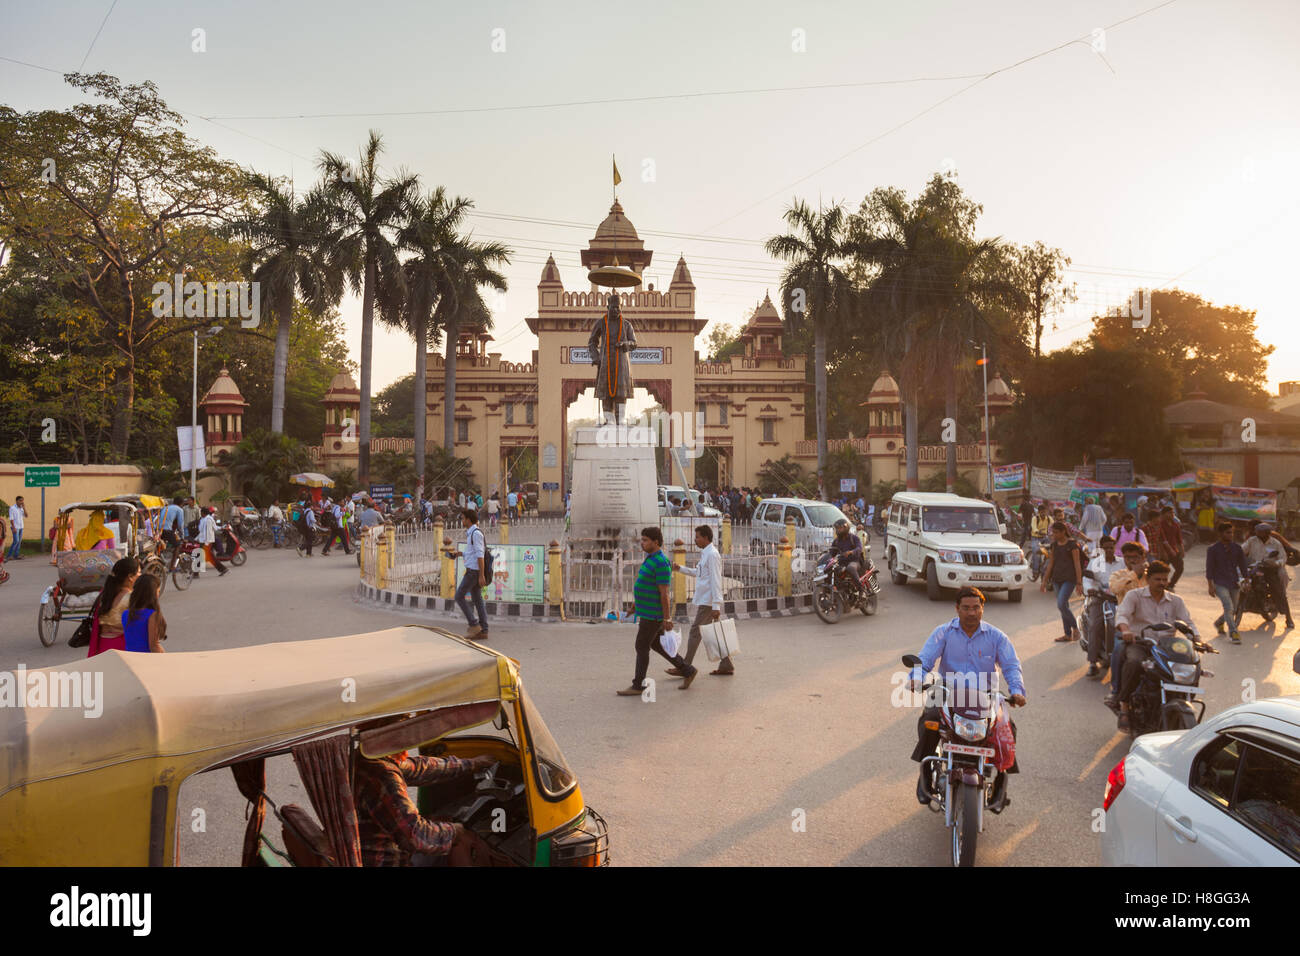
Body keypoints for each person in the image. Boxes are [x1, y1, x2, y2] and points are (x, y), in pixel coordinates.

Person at [907, 587, 1026, 809]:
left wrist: (1017, 691)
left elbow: (1011, 665)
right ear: (957, 609)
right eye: (966, 608)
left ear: (982, 608)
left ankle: (1000, 783)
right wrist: (916, 678)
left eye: (975, 608)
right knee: (929, 721)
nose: (971, 613)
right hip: (948, 693)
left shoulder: (996, 636)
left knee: (1009, 728)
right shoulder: (943, 633)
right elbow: (924, 660)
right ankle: (924, 773)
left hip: (986, 698)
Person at [352, 722, 497, 867]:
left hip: (372, 853)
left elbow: (420, 768)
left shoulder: (364, 759)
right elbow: (416, 836)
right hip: (386, 861)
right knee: (464, 844)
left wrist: (473, 764)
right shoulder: (381, 776)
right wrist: (455, 832)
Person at [1113, 560, 1198, 731]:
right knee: (1134, 663)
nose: (1162, 583)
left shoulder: (1176, 600)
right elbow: (1122, 615)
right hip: (1141, 643)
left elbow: (1188, 623)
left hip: (1168, 647)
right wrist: (1126, 631)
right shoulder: (1134, 596)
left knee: (1191, 665)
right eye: (1157, 579)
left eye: (1165, 580)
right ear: (1148, 578)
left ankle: (1184, 699)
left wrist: (1197, 639)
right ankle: (1123, 706)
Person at [617, 526, 697, 695]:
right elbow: (645, 586)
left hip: (653, 615)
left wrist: (667, 619)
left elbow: (664, 594)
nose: (642, 543)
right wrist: (634, 606)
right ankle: (687, 669)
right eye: (642, 539)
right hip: (646, 611)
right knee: (657, 644)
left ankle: (638, 685)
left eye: (645, 540)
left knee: (641, 645)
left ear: (656, 542)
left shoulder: (660, 562)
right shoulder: (650, 558)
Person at [670, 524, 733, 677]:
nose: (695, 540)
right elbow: (699, 573)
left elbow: (716, 580)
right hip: (706, 600)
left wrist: (716, 605)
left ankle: (685, 666)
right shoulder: (706, 553)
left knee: (695, 632)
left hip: (709, 601)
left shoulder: (712, 554)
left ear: (706, 538)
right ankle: (726, 664)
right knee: (711, 633)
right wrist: (680, 569)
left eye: (698, 537)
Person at [1104, 542, 1149, 705]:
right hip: (1126, 625)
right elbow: (1115, 589)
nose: (1131, 560)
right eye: (1128, 557)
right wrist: (1134, 575)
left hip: (1150, 626)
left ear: (1143, 558)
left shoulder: (1151, 574)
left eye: (1135, 557)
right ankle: (1115, 690)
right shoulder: (1118, 575)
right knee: (1118, 650)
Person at [1082, 534, 1126, 678]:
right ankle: (1093, 663)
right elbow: (1087, 579)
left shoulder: (1122, 562)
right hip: (1100, 598)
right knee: (1095, 625)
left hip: (1120, 598)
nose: (1109, 550)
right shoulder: (1095, 562)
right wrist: (1090, 589)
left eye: (1111, 547)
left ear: (1115, 548)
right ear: (1101, 548)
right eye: (1106, 548)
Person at [1242, 522, 1294, 629]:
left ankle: (1288, 619)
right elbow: (1242, 550)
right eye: (1256, 531)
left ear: (1267, 533)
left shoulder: (1275, 543)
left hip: (1270, 569)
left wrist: (1276, 563)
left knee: (1279, 591)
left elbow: (1283, 557)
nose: (1257, 533)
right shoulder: (1252, 541)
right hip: (1254, 568)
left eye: (1260, 531)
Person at [88, 556, 141, 657]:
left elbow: (96, 626)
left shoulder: (104, 595)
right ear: (130, 577)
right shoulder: (132, 597)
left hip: (102, 647)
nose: (140, 575)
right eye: (138, 572)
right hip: (122, 648)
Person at [449, 508, 489, 640]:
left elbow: (480, 555)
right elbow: (471, 553)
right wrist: (459, 554)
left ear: (468, 519)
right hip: (473, 571)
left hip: (473, 572)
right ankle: (483, 630)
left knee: (459, 596)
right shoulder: (470, 534)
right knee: (478, 600)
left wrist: (481, 575)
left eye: (462, 518)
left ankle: (474, 624)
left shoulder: (476, 534)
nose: (461, 521)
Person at [1205, 520, 1247, 644]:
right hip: (1219, 582)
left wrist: (1247, 579)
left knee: (1232, 609)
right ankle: (1233, 632)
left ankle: (1219, 622)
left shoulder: (1237, 548)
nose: (1231, 535)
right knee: (1228, 607)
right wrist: (1210, 585)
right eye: (1228, 533)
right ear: (1221, 534)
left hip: (1234, 582)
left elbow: (1243, 565)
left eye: (1232, 533)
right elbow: (1209, 568)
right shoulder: (1213, 549)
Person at [1041, 520, 1083, 642]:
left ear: (1063, 532)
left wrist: (1079, 583)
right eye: (1053, 532)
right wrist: (1044, 581)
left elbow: (1077, 564)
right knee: (1063, 606)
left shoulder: (1073, 545)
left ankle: (1075, 628)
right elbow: (1051, 563)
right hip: (1056, 578)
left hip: (1069, 579)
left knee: (1061, 604)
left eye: (1056, 532)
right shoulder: (1054, 545)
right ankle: (1067, 634)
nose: (1054, 535)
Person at [122, 574, 167, 653]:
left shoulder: (126, 613)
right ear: (153, 593)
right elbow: (154, 646)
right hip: (146, 658)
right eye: (158, 591)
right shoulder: (152, 615)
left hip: (130, 657)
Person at [1152, 505, 1186, 589]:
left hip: (1174, 551)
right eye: (1169, 513)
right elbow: (1160, 540)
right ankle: (1161, 586)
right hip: (1164, 552)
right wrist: (1163, 552)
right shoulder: (1160, 525)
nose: (1172, 514)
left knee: (1180, 568)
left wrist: (1182, 550)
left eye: (1173, 512)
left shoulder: (1175, 524)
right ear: (1163, 514)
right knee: (1162, 571)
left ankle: (1171, 585)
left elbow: (1179, 539)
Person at [829, 517, 865, 593]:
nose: (838, 530)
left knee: (850, 568)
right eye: (837, 529)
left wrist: (851, 552)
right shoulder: (836, 541)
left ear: (846, 528)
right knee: (831, 570)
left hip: (855, 561)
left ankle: (861, 590)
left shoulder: (854, 538)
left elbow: (859, 548)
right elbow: (832, 552)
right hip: (842, 562)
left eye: (840, 528)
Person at [197, 507, 229, 575]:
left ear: (203, 513)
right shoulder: (204, 519)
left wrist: (206, 543)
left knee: (200, 556)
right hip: (203, 540)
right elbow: (214, 528)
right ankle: (223, 569)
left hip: (206, 541)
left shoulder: (208, 519)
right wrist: (222, 527)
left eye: (201, 512)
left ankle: (194, 573)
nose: (200, 514)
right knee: (209, 557)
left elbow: (208, 532)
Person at [160, 495, 186, 566]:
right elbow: (180, 525)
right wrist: (182, 537)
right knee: (177, 545)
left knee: (159, 546)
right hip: (166, 530)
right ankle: (172, 565)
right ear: (181, 504)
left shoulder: (166, 507)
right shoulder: (179, 510)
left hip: (158, 530)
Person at [5, 496, 26, 560]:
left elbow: (26, 515)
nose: (21, 502)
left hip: (21, 526)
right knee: (16, 541)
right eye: (20, 500)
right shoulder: (12, 508)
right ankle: (9, 555)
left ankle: (16, 555)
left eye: (22, 500)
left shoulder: (21, 508)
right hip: (15, 527)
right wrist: (13, 528)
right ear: (16, 501)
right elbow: (11, 519)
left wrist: (24, 508)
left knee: (19, 541)